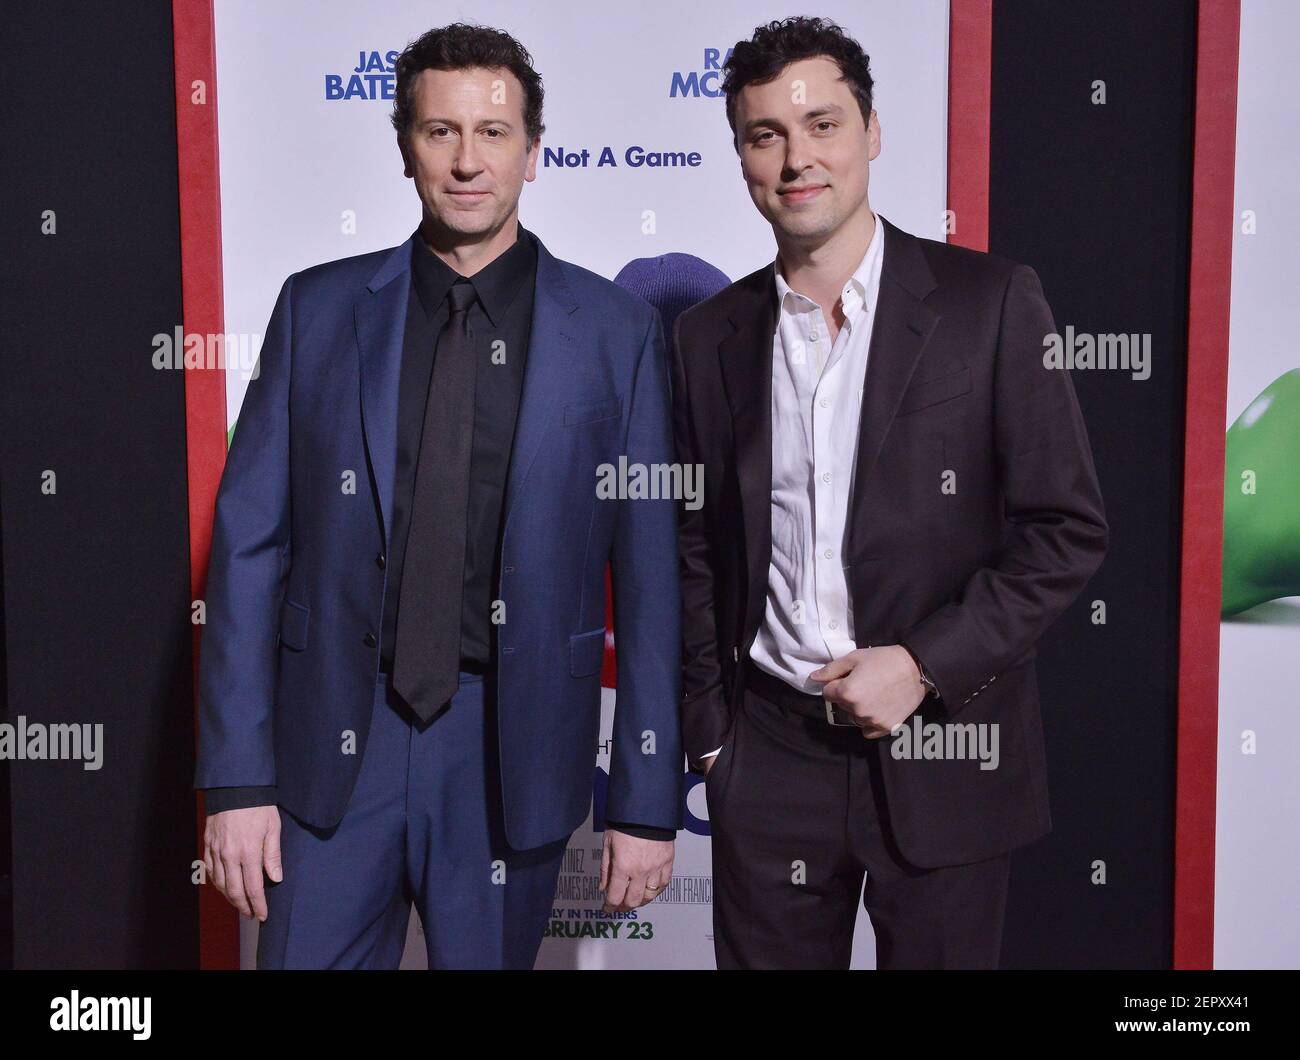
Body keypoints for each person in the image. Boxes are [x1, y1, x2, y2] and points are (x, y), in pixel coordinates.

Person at [195, 23, 681, 969]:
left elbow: (653, 582)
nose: (468, 161)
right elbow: (248, 550)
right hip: (333, 747)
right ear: (405, 147)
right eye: (440, 132)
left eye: (494, 134)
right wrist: (234, 783)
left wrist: (647, 798)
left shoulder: (615, 334)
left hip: (513, 751)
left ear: (534, 153)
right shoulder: (317, 309)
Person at [671, 16, 1108, 969]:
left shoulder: (991, 303)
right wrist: (713, 741)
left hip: (947, 748)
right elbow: (694, 545)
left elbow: (1065, 531)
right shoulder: (707, 337)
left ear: (872, 130)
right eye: (765, 135)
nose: (797, 159)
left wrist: (921, 662)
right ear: (741, 153)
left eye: (823, 124)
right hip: (769, 760)